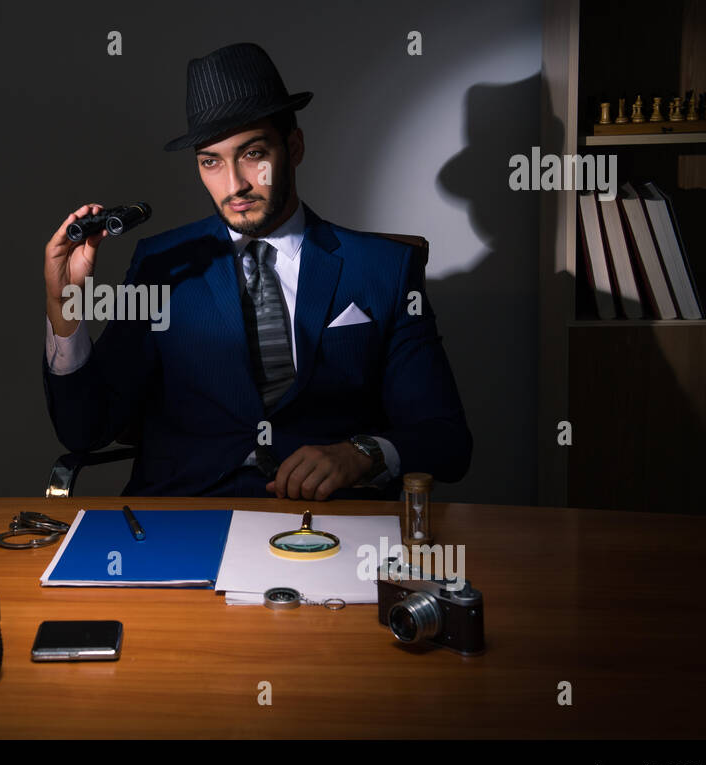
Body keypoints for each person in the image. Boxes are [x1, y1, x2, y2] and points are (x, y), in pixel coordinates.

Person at [42, 42, 472, 500]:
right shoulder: (160, 265)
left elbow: (446, 440)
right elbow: (85, 432)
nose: (235, 185)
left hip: (328, 523)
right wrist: (65, 305)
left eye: (252, 154)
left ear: (294, 147)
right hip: (187, 517)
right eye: (211, 162)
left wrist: (362, 453)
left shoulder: (383, 268)